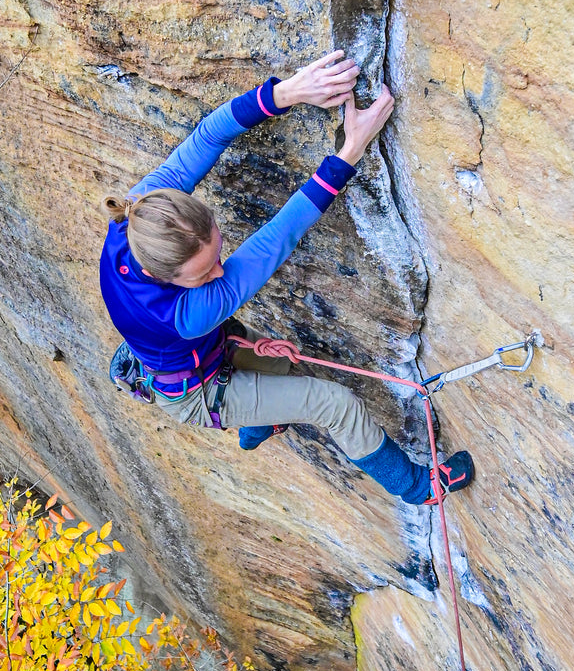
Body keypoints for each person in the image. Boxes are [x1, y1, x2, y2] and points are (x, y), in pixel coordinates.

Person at [99, 51, 474, 505]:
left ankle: (260, 422)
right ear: (167, 277)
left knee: (285, 364)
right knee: (335, 404)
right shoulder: (190, 314)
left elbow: (208, 136)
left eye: (218, 252)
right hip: (195, 391)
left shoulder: (140, 220)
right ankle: (418, 488)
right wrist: (350, 150)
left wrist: (289, 91)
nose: (222, 272)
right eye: (206, 273)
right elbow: (280, 235)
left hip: (199, 352)